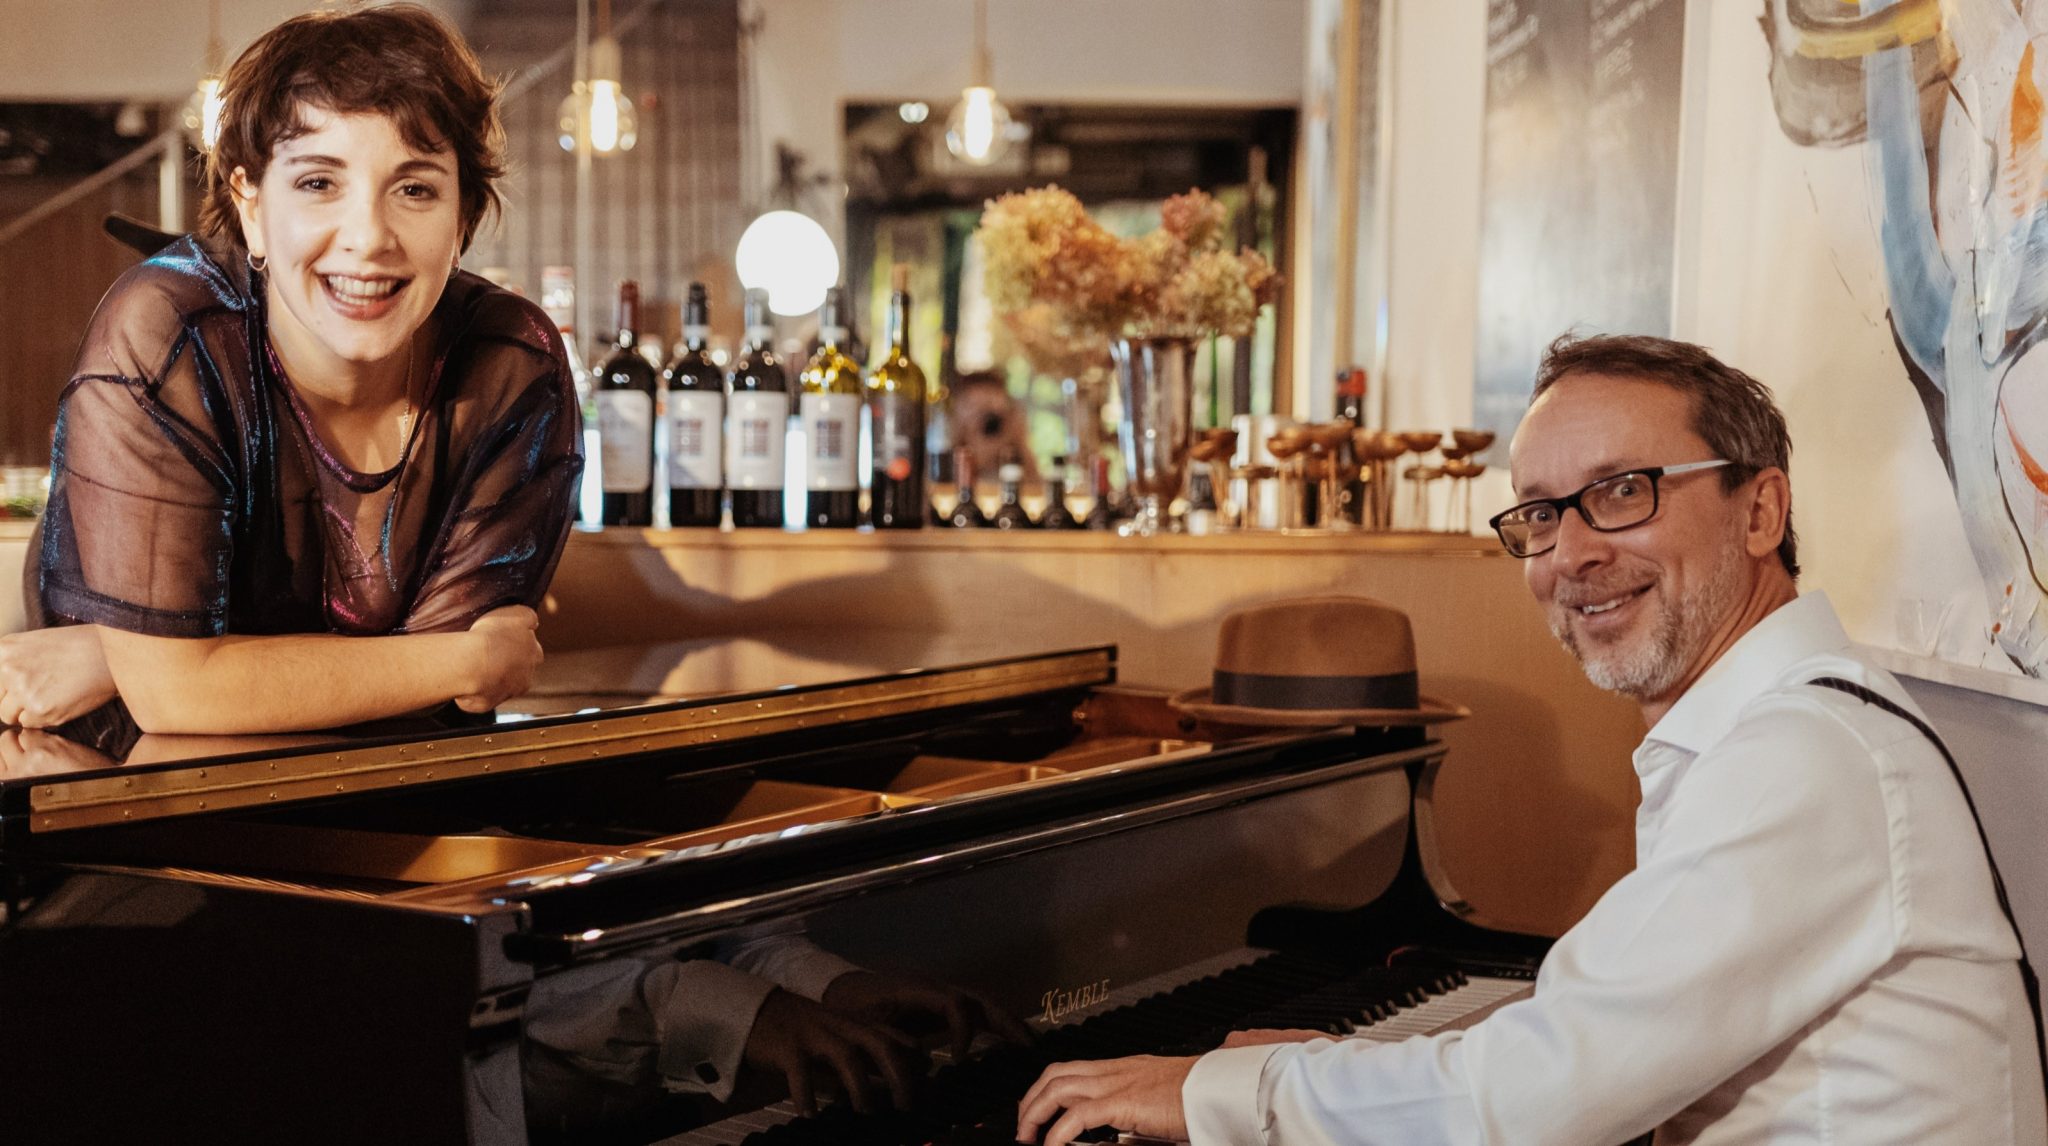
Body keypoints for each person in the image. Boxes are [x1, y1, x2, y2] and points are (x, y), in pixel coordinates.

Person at [1016, 333, 2046, 1145]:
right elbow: (1590, 1046)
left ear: (1758, 510)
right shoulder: (1776, 733)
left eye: (1619, 492)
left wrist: (1210, 1093)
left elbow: (1528, 1106)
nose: (1571, 554)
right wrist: (1344, 1064)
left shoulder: (1801, 762)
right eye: (1542, 515)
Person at [0, 4, 581, 734]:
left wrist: (124, 657)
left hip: (391, 789)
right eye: (317, 183)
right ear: (249, 208)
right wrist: (462, 662)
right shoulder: (169, 335)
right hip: (111, 794)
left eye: (415, 188)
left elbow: (426, 706)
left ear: (463, 217)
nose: (369, 238)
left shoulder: (511, 367)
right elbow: (181, 702)